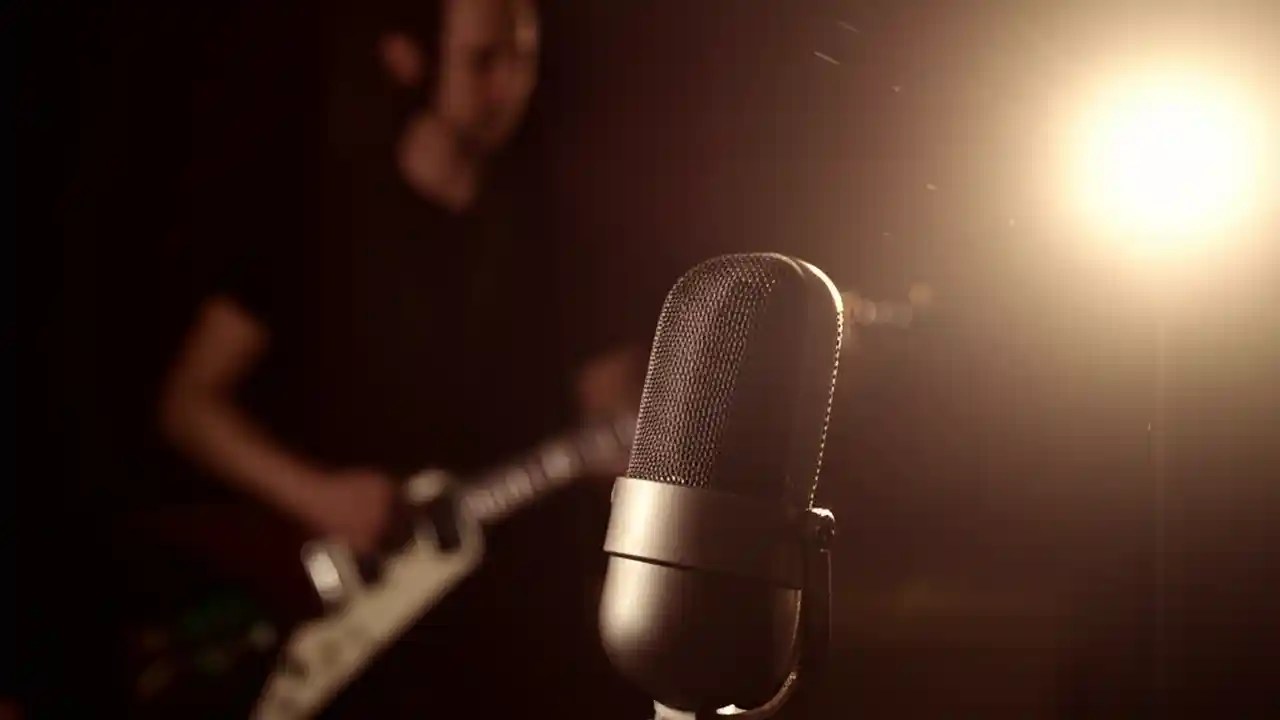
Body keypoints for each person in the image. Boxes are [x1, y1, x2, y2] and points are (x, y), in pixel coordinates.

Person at [150, 0, 644, 715]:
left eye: (523, 58)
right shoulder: (317, 212)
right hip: (360, 637)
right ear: (408, 59)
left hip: (518, 641)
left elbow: (618, 419)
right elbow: (190, 404)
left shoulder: (562, 229)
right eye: (483, 60)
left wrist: (635, 464)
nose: (510, 85)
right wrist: (317, 495)